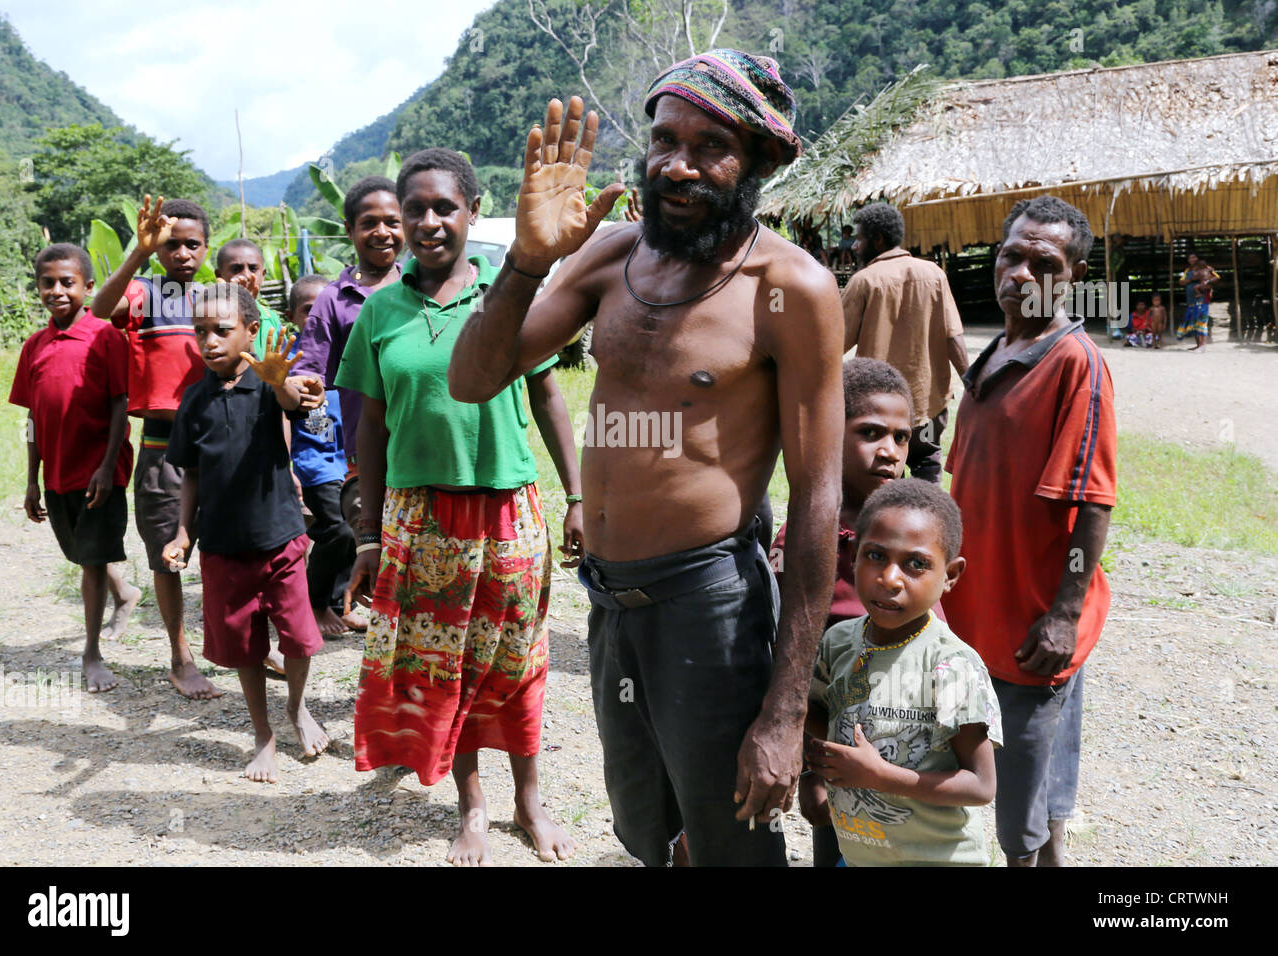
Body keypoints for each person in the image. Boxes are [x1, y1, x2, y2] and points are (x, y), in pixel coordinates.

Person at [448, 50, 845, 867]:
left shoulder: (790, 287)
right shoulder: (606, 258)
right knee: (647, 828)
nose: (679, 164)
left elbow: (817, 495)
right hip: (609, 603)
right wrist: (527, 259)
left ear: (761, 160)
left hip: (711, 604)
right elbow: (474, 377)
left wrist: (785, 709)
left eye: (710, 146)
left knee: (733, 837)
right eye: (666, 138)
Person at [340, 148, 585, 866]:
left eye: (443, 206)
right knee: (447, 664)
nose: (426, 221)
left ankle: (529, 797)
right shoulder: (380, 311)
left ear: (473, 213)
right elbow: (371, 428)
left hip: (509, 508)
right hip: (422, 517)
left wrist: (577, 496)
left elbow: (547, 397)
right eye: (414, 207)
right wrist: (367, 533)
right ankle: (472, 805)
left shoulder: (507, 301)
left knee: (517, 658)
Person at [943, 194, 1116, 867]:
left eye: (1041, 262)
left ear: (1071, 276)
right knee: (1038, 775)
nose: (1019, 272)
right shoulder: (992, 358)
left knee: (1017, 803)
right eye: (1010, 255)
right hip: (981, 615)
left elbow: (1093, 502)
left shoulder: (1076, 364)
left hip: (1033, 627)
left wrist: (1064, 616)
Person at [162, 283, 329, 783]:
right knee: (243, 647)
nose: (209, 341)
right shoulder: (195, 399)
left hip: (280, 538)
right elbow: (190, 473)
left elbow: (303, 410)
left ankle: (297, 707)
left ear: (252, 331)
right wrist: (182, 533)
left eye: (221, 330)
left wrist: (280, 382)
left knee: (298, 639)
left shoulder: (268, 385)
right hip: (221, 546)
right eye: (200, 331)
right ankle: (263, 734)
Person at [805, 479, 1001, 866]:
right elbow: (825, 719)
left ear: (950, 575)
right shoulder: (839, 643)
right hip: (862, 856)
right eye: (875, 556)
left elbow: (980, 785)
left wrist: (879, 776)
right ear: (853, 557)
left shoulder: (951, 665)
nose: (889, 579)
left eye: (916, 564)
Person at [771, 357, 918, 867]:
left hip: (908, 758)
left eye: (901, 438)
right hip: (838, 758)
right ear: (833, 432)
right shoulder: (809, 537)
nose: (889, 452)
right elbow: (795, 667)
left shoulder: (912, 530)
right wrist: (813, 773)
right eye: (871, 433)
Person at [88, 196, 222, 700]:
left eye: (193, 244)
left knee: (229, 551)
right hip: (164, 449)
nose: (182, 253)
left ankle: (236, 644)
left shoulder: (218, 296)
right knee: (168, 555)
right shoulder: (143, 291)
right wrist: (137, 256)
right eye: (171, 245)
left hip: (222, 447)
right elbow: (98, 313)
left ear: (206, 247)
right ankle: (180, 657)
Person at [9, 244, 137, 693]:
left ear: (87, 286)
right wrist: (30, 479)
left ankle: (90, 654)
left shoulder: (105, 337)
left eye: (68, 282)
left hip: (100, 470)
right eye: (48, 282)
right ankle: (124, 594)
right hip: (56, 471)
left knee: (93, 559)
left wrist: (107, 466)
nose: (57, 291)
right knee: (81, 552)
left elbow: (121, 403)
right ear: (39, 287)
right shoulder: (34, 346)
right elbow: (32, 417)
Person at [293, 176, 405, 540]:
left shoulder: (422, 287)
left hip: (423, 445)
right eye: (369, 223)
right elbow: (310, 375)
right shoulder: (333, 299)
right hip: (368, 450)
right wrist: (294, 386)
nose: (382, 232)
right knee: (375, 547)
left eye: (393, 221)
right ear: (349, 229)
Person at [843, 202, 969, 483]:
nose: (854, 246)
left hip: (878, 412)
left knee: (881, 481)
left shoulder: (864, 282)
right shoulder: (934, 274)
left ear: (877, 240)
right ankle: (929, 525)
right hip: (929, 409)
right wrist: (972, 386)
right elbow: (954, 337)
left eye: (859, 238)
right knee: (927, 469)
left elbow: (833, 343)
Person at [286, 275, 362, 636]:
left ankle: (340, 603)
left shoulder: (352, 355)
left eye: (324, 309)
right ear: (293, 316)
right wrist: (288, 469)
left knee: (359, 531)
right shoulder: (288, 364)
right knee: (337, 531)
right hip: (315, 466)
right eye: (308, 310)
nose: (318, 316)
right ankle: (313, 604)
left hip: (351, 464)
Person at [214, 238, 283, 358]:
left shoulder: (271, 318)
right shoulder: (211, 317)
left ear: (263, 274)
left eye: (253, 268)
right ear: (219, 275)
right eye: (236, 269)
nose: (246, 275)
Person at [1177, 252, 1219, 350]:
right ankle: (1198, 345)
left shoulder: (1206, 267)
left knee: (1202, 320)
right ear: (1188, 260)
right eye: (1190, 257)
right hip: (1191, 300)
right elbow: (1181, 282)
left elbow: (1216, 277)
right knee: (1194, 321)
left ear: (1197, 258)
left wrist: (1206, 282)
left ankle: (1203, 345)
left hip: (1202, 298)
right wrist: (1192, 278)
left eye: (1194, 257)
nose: (1193, 259)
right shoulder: (1188, 270)